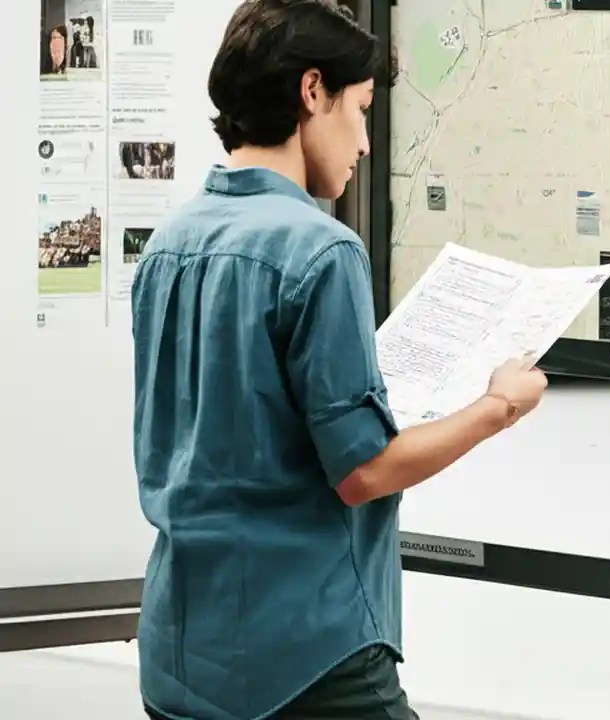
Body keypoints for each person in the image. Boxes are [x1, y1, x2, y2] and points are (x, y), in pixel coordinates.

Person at [130, 1, 548, 718]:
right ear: (312, 91)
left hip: (179, 648)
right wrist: (498, 406)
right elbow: (363, 473)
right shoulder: (322, 252)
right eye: (360, 110)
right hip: (306, 659)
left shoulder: (170, 243)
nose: (366, 143)